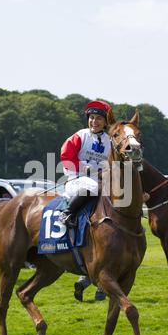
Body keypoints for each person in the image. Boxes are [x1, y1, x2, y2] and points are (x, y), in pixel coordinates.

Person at [60, 100, 116, 301]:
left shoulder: (111, 141)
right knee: (94, 188)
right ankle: (67, 214)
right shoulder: (79, 136)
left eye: (99, 119)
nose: (94, 121)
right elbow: (66, 157)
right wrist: (89, 169)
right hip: (77, 179)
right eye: (92, 118)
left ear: (105, 122)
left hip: (101, 181)